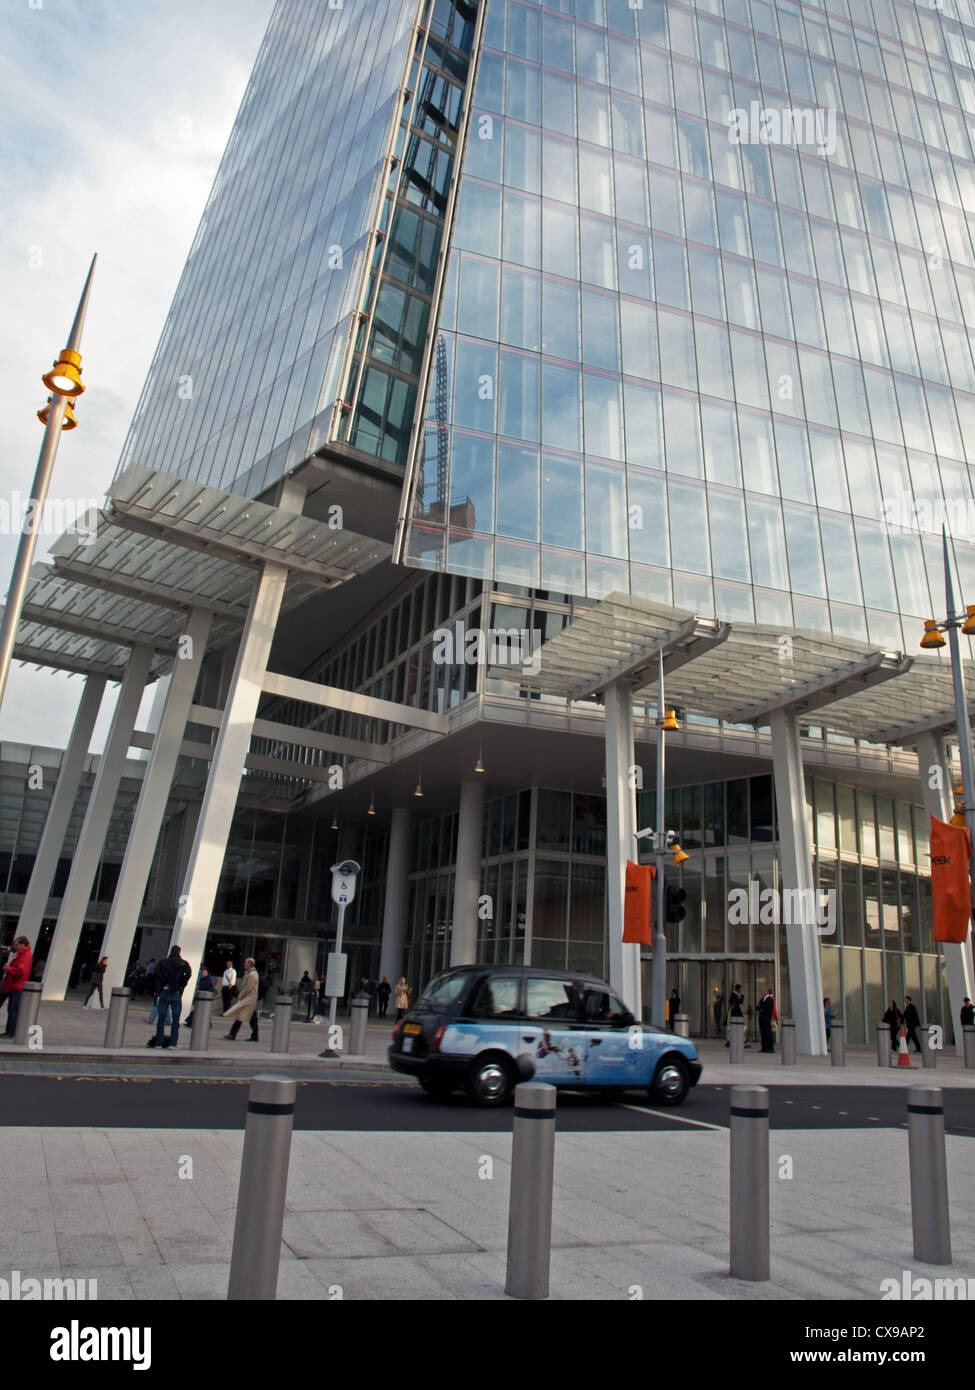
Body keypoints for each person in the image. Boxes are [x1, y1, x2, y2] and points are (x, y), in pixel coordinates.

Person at [146, 946, 192, 1049]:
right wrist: (181, 985)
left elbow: (156, 975)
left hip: (164, 991)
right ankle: (172, 1043)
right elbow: (188, 973)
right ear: (179, 952)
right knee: (175, 1020)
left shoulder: (163, 962)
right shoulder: (182, 963)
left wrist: (158, 988)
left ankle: (159, 1042)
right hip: (175, 992)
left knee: (161, 1018)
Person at [0, 937, 33, 1038]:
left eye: (17, 944)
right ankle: (9, 1032)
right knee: (12, 1010)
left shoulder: (25, 955)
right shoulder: (21, 954)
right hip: (11, 985)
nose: (15, 946)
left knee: (13, 1010)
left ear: (23, 945)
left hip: (16, 986)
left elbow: (20, 971)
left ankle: (11, 1032)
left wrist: (8, 969)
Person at [224, 958, 260, 1042]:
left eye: (245, 963)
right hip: (249, 999)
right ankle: (253, 1035)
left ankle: (233, 1034)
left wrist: (241, 996)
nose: (244, 965)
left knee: (243, 1017)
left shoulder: (252, 975)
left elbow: (248, 988)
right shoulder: (250, 974)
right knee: (248, 1017)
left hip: (248, 999)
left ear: (249, 965)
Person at [725, 982, 745, 1047]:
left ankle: (740, 1039)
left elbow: (741, 1002)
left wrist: (741, 996)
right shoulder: (734, 995)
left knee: (735, 1026)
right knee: (731, 1027)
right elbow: (738, 1002)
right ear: (738, 989)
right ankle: (730, 1040)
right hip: (734, 1012)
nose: (741, 991)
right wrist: (741, 996)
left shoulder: (737, 995)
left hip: (736, 1012)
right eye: (740, 989)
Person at [757, 986, 776, 1053]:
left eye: (764, 991)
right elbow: (758, 1006)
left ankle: (770, 1048)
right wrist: (760, 1007)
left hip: (766, 1018)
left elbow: (765, 1007)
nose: (763, 992)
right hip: (761, 1018)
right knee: (763, 1033)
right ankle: (764, 1048)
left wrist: (761, 1007)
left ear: (767, 992)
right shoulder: (763, 999)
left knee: (768, 1033)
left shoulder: (770, 999)